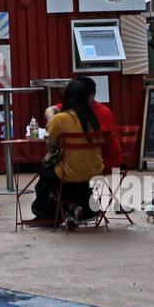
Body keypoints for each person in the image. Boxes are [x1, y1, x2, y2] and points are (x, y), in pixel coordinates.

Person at [40, 80, 120, 226]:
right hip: (95, 170)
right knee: (73, 172)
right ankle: (75, 208)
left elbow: (51, 145)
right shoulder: (94, 118)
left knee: (46, 171)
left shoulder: (61, 119)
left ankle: (66, 208)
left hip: (70, 172)